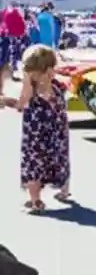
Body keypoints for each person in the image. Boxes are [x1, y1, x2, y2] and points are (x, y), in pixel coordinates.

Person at [2, 45, 71, 213]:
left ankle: (36, 201)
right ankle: (64, 189)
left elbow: (23, 101)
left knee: (33, 162)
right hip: (58, 130)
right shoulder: (57, 86)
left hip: (35, 131)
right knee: (59, 156)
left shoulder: (31, 83)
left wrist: (11, 102)